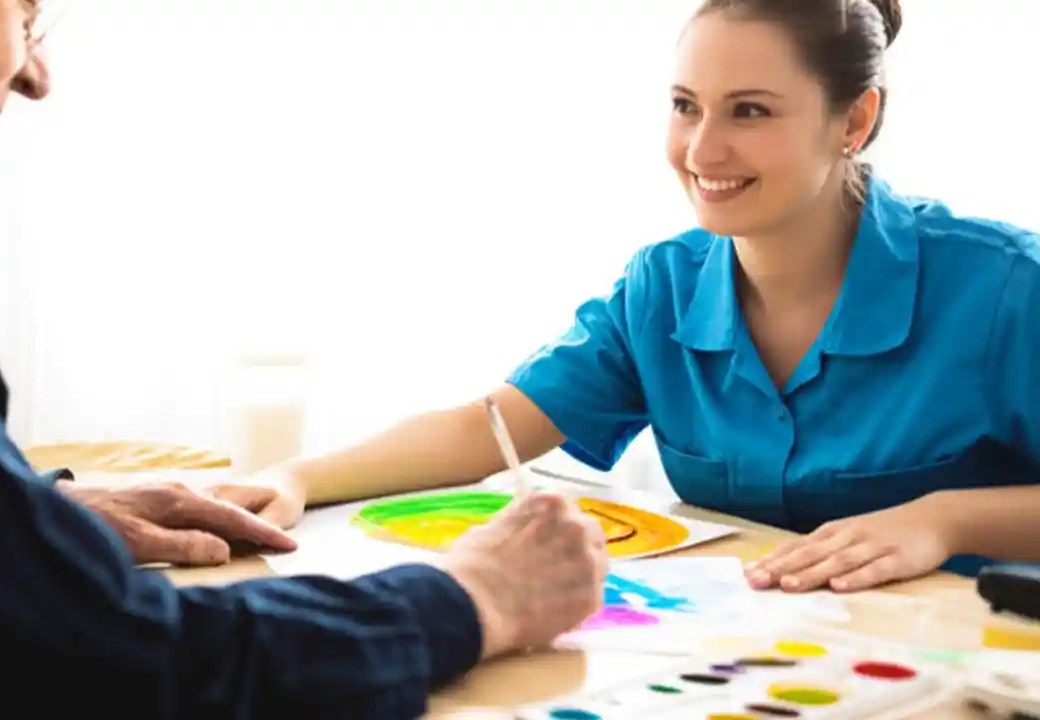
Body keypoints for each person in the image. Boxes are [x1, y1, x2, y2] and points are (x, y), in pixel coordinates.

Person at [0, 1, 607, 717]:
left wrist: (4, 524)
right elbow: (120, 670)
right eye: (24, 12)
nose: (36, 76)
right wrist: (471, 598)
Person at [217, 0, 1040, 594]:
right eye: (686, 107)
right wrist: (295, 476)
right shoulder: (665, 287)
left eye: (749, 111)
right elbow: (490, 427)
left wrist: (947, 518)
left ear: (854, 121)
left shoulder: (1003, 285)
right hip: (774, 662)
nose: (701, 149)